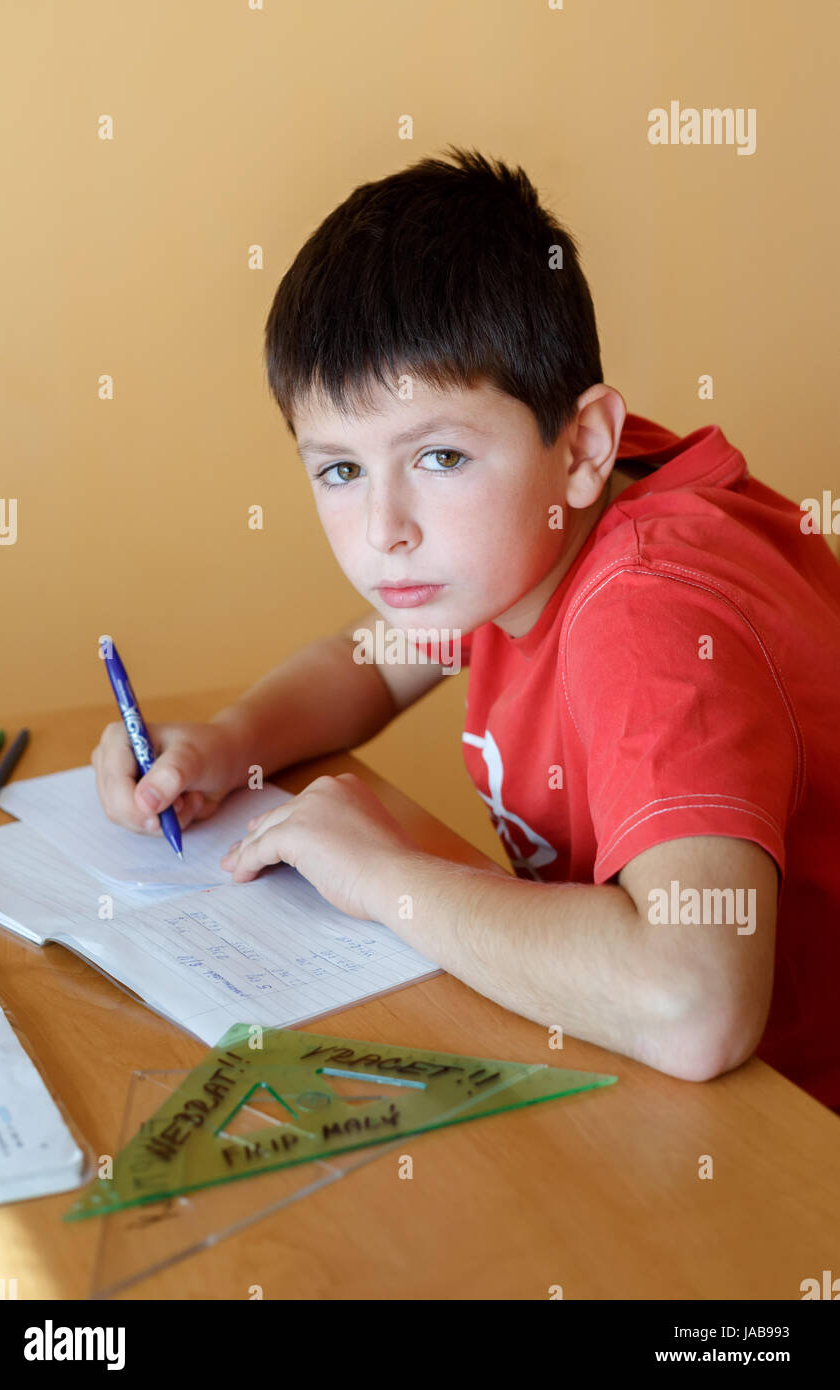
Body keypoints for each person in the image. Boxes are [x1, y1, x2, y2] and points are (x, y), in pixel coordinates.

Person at [92, 148, 840, 1110]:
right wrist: (227, 746)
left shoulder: (651, 611)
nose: (384, 529)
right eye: (339, 470)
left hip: (789, 1142)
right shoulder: (541, 514)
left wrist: (388, 877)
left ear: (582, 446)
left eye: (439, 456)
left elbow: (694, 1003)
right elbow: (368, 663)